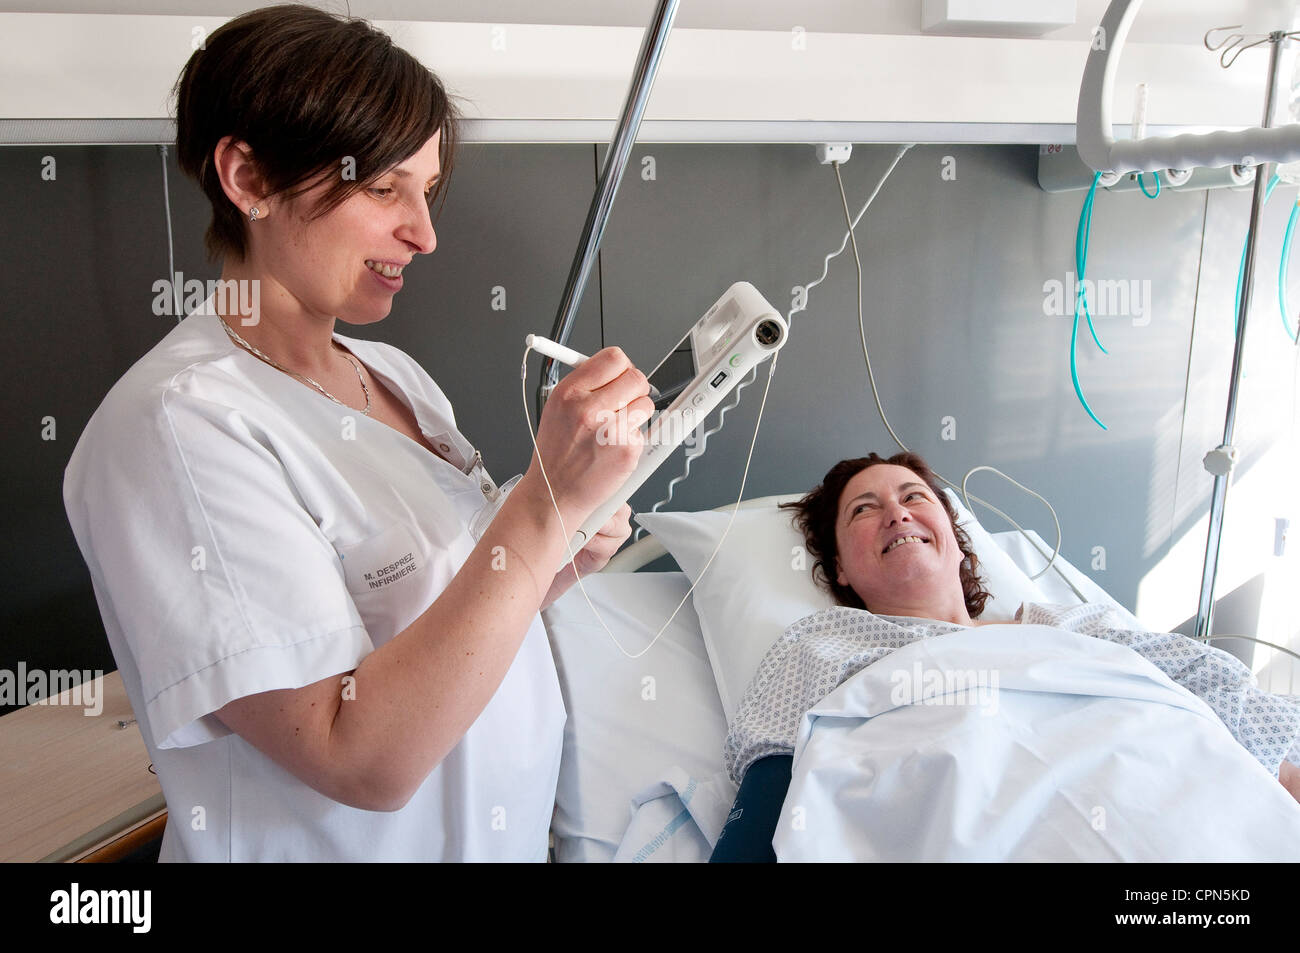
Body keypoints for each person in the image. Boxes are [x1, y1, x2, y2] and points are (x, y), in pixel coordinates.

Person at [61, 4, 653, 862]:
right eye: (383, 187)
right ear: (249, 179)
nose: (424, 231)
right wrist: (536, 510)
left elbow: (429, 627)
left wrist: (559, 550)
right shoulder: (179, 426)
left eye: (426, 189)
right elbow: (356, 753)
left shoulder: (397, 379)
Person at [709, 450, 1300, 862]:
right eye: (863, 509)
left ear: (955, 537)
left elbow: (1209, 689)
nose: (896, 512)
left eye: (913, 495)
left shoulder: (1070, 622)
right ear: (838, 567)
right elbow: (772, 785)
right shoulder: (827, 641)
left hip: (1196, 805)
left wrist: (1279, 786)